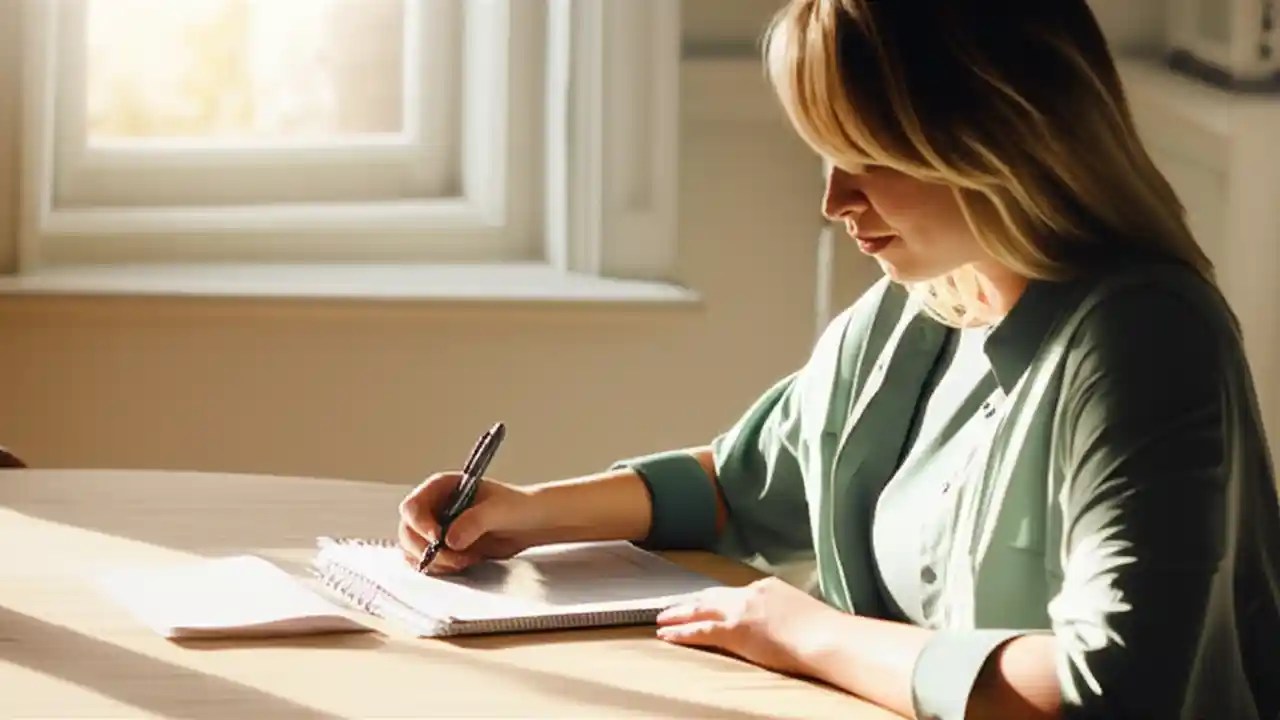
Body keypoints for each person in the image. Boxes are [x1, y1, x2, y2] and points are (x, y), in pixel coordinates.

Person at [397, 1, 1280, 717]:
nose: (832, 201)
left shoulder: (1145, 341)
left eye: (865, 158)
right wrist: (528, 513)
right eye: (826, 156)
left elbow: (1111, 686)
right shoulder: (917, 310)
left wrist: (809, 633)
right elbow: (742, 485)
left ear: (995, 137)